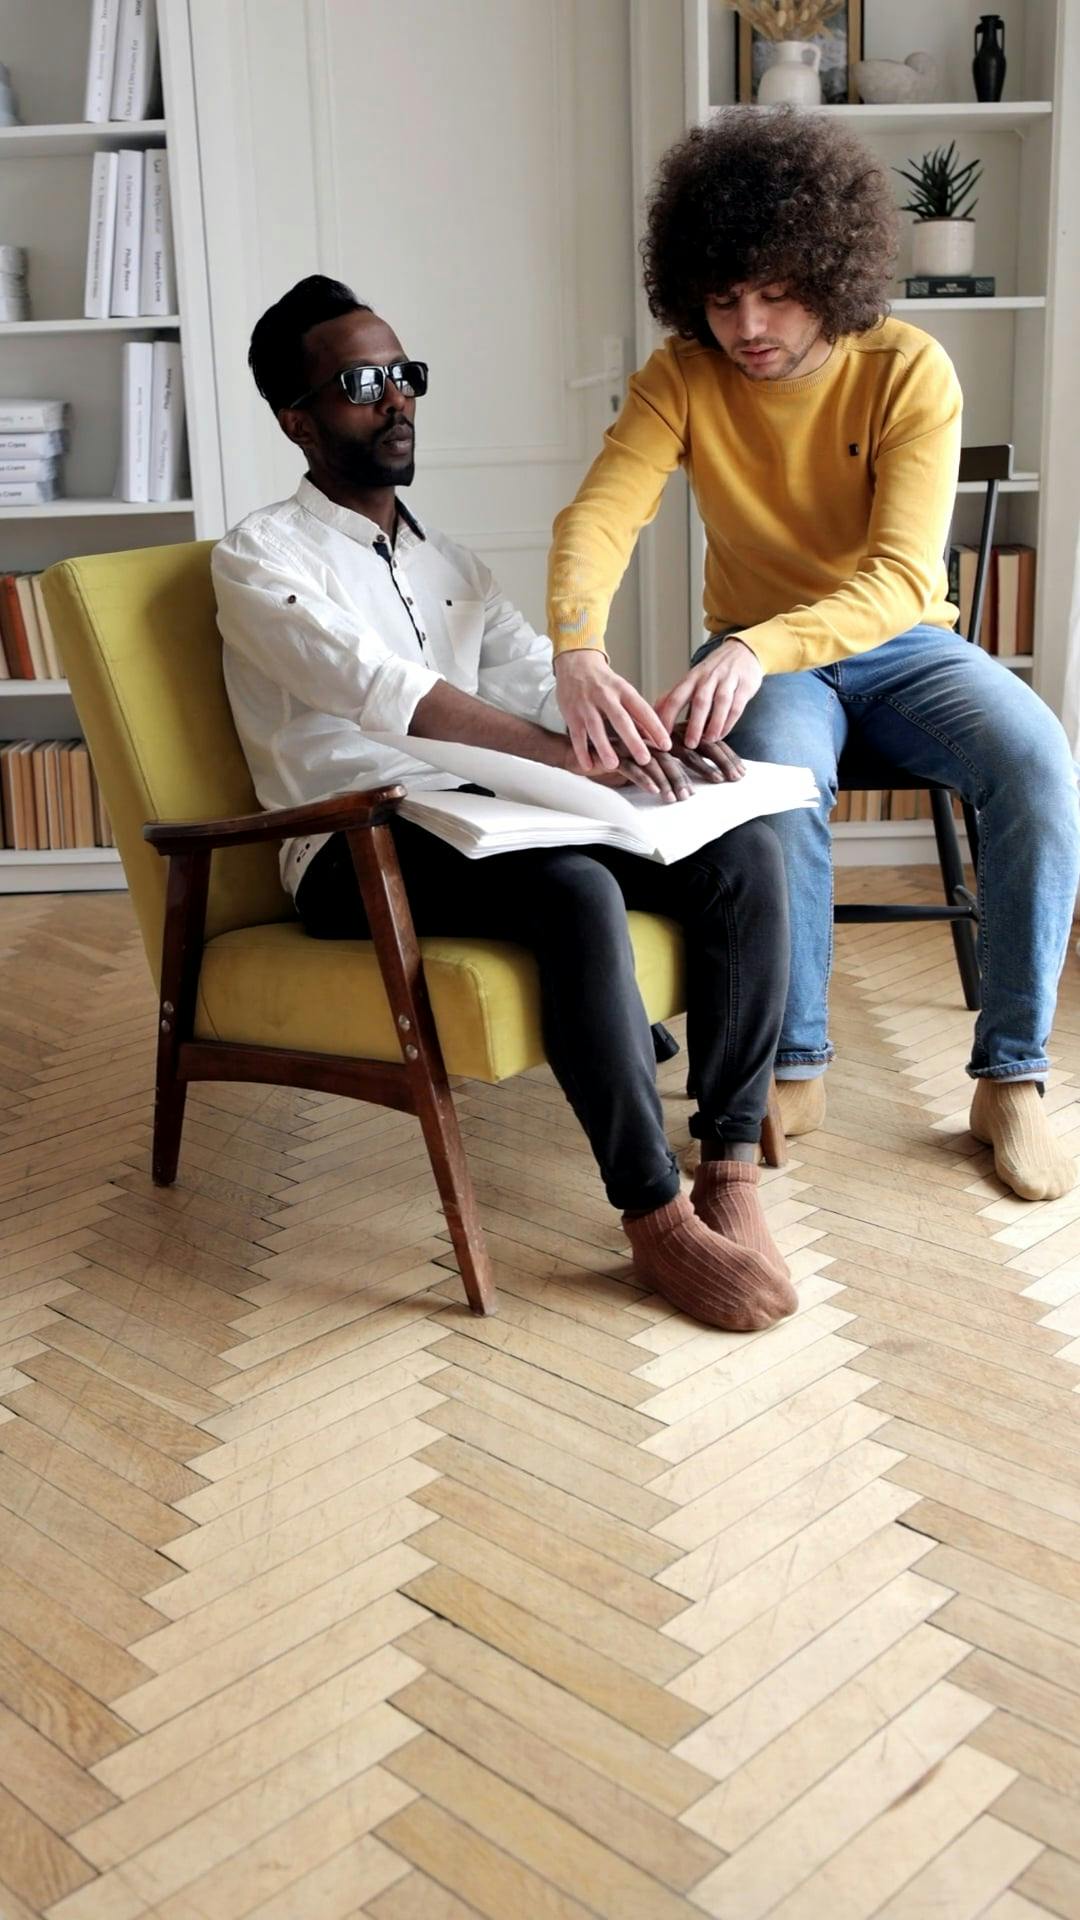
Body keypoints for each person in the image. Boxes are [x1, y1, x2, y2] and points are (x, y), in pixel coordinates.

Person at [211, 274, 798, 1330]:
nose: (395, 399)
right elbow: (385, 696)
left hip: (482, 812)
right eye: (358, 382)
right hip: (350, 842)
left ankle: (729, 1171)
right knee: (573, 892)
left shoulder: (450, 563)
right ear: (297, 420)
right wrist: (572, 766)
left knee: (743, 851)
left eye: (403, 374)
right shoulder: (258, 559)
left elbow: (535, 676)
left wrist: (652, 745)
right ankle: (655, 1218)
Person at [547, 108, 1080, 1204]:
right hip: (773, 669)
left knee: (1038, 761)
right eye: (724, 296)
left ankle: (1011, 1079)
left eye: (778, 292)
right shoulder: (682, 374)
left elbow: (894, 579)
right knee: (773, 791)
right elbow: (599, 516)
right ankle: (793, 1066)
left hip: (902, 644)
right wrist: (576, 645)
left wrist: (753, 640)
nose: (748, 325)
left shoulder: (908, 368)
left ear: (832, 271)